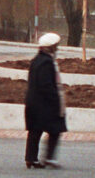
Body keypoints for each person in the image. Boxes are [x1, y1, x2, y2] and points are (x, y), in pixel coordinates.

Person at [24, 32, 66, 170]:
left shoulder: (36, 60)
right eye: (56, 46)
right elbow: (46, 85)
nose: (57, 49)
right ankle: (48, 158)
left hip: (33, 102)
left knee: (35, 131)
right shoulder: (47, 63)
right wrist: (55, 99)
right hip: (44, 105)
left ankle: (30, 159)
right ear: (50, 48)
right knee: (55, 129)